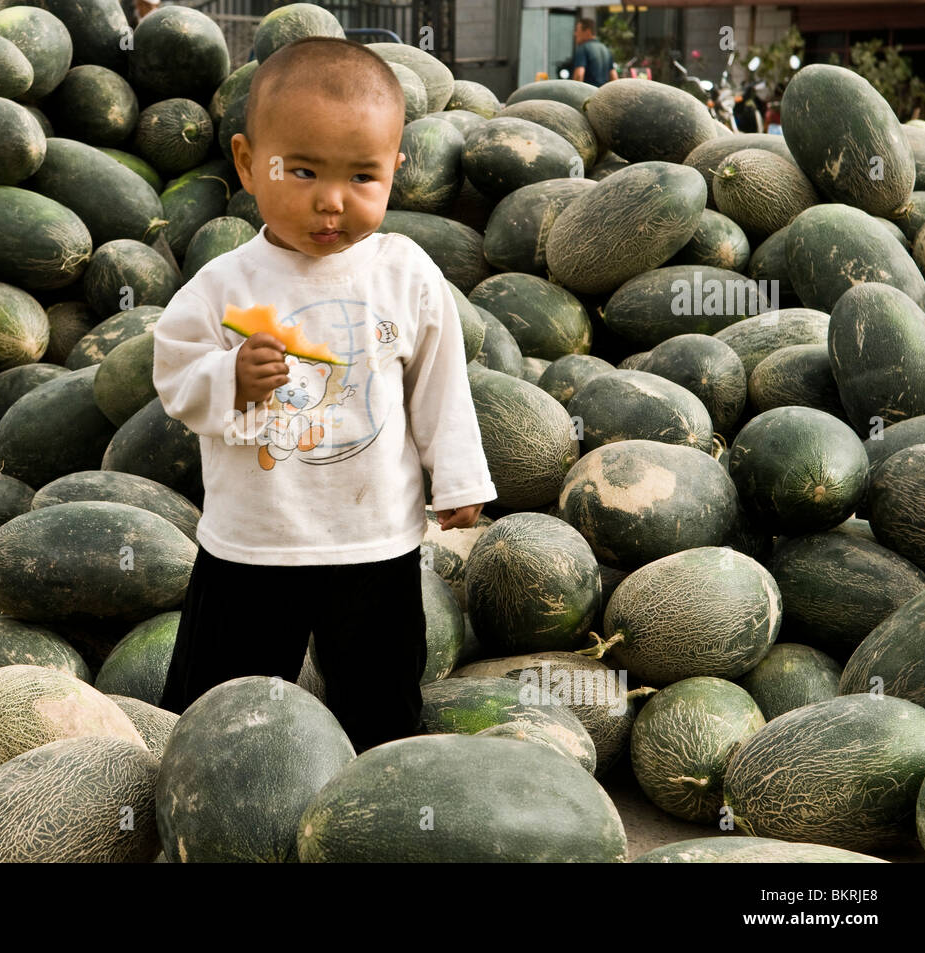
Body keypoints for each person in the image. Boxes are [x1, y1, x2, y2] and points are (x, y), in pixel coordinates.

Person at [151, 36, 498, 753]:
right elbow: (174, 376)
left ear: (395, 172)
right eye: (302, 171)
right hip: (251, 544)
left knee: (382, 706)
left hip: (374, 545)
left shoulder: (406, 273)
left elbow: (440, 384)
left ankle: (373, 810)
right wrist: (229, 379)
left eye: (362, 178)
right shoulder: (224, 285)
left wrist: (458, 478)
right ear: (249, 163)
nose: (331, 201)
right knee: (215, 709)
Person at [572, 18, 618, 86]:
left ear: (587, 31)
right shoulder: (605, 48)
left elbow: (579, 75)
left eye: (578, 30)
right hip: (602, 93)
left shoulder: (583, 48)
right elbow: (614, 77)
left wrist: (573, 91)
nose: (575, 34)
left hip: (588, 94)